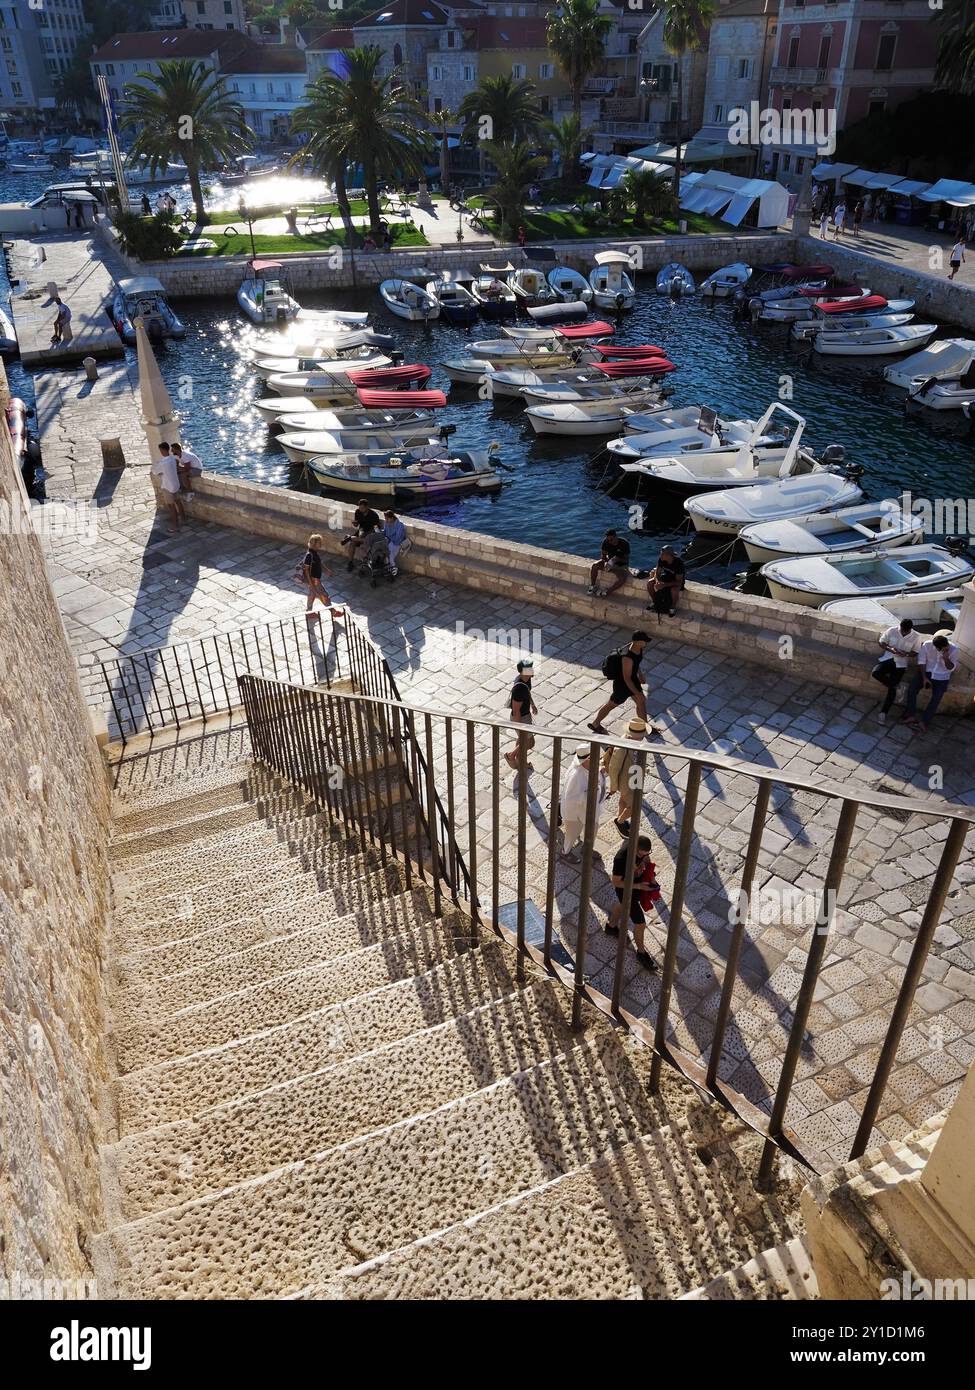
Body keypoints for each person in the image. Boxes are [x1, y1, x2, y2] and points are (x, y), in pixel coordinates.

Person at [605, 834, 660, 969]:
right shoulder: (621, 859)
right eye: (642, 853)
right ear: (635, 848)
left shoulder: (642, 852)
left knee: (623, 905)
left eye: (648, 853)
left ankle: (611, 927)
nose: (645, 855)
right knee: (640, 924)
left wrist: (651, 877)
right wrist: (639, 886)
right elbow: (616, 882)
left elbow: (645, 861)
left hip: (636, 883)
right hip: (625, 889)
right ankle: (641, 953)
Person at [588, 631, 650, 734]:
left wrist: (640, 675)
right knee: (611, 704)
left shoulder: (638, 649)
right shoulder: (627, 658)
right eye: (644, 641)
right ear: (637, 642)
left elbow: (636, 663)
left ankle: (644, 727)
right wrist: (637, 692)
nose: (646, 643)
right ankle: (595, 724)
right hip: (622, 685)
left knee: (641, 701)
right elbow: (626, 678)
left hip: (632, 679)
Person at [559, 744, 606, 864]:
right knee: (572, 833)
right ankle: (565, 852)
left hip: (590, 809)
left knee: (593, 828)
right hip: (575, 812)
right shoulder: (576, 776)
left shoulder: (590, 767)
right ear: (587, 760)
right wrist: (589, 793)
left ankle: (587, 848)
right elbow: (570, 797)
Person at [902, 632, 958, 731]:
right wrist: (924, 678)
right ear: (936, 647)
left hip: (942, 676)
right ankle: (911, 715)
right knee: (912, 689)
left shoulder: (954, 649)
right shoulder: (927, 645)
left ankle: (924, 722)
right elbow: (921, 662)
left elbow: (951, 668)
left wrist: (946, 658)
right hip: (926, 672)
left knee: (936, 698)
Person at [602, 717, 649, 834]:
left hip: (635, 774)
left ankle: (620, 820)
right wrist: (613, 787)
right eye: (641, 734)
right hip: (627, 780)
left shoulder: (634, 741)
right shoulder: (622, 747)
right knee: (635, 806)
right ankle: (621, 821)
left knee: (624, 799)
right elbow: (614, 767)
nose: (643, 736)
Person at [872, 617, 923, 723]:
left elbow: (916, 652)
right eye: (902, 630)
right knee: (876, 673)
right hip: (888, 659)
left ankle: (883, 713)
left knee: (891, 690)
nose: (903, 633)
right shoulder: (892, 630)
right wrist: (890, 649)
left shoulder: (916, 637)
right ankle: (896, 686)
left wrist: (906, 654)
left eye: (906, 631)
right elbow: (881, 642)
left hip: (901, 664)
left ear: (910, 630)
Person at [504, 658, 537, 772]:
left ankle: (521, 762)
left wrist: (532, 704)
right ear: (523, 671)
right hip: (520, 718)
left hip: (525, 715)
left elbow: (528, 692)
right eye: (529, 668)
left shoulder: (526, 680)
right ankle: (511, 755)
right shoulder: (518, 689)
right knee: (529, 742)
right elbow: (516, 709)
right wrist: (520, 727)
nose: (532, 670)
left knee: (522, 740)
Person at [150, 441, 186, 531]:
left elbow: (155, 472)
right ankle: (184, 519)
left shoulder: (163, 463)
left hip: (167, 487)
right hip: (176, 484)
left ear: (162, 450)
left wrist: (156, 465)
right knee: (178, 502)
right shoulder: (173, 459)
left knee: (171, 506)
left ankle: (174, 526)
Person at [587, 528, 630, 596]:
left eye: (611, 540)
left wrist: (617, 559)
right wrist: (607, 561)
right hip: (610, 563)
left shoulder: (624, 543)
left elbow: (626, 560)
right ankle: (592, 586)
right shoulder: (606, 542)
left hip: (621, 565)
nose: (609, 542)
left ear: (616, 536)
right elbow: (603, 555)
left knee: (622, 579)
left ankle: (607, 592)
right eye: (608, 540)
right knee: (595, 565)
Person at [645, 544, 685, 617]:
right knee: (650, 583)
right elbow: (657, 572)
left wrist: (664, 585)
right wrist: (658, 581)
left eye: (662, 554)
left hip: (675, 581)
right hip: (665, 578)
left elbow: (679, 581)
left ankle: (672, 607)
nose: (660, 556)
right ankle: (655, 601)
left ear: (669, 555)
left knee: (674, 590)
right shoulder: (661, 560)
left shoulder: (678, 563)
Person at [342, 498, 381, 567]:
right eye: (359, 507)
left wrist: (368, 535)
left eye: (362, 508)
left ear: (367, 507)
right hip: (361, 531)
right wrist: (355, 524)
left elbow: (376, 529)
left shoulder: (373, 515)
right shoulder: (358, 512)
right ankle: (350, 562)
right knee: (352, 543)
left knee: (363, 543)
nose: (360, 509)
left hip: (371, 533)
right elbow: (357, 525)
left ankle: (351, 537)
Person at [302, 532, 333, 615]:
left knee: (312, 595)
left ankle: (309, 612)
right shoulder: (309, 555)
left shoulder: (314, 553)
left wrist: (327, 571)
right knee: (324, 595)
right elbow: (306, 570)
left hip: (315, 579)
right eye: (319, 542)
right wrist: (311, 583)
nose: (321, 544)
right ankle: (333, 611)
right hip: (314, 580)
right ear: (314, 543)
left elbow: (319, 563)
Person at [383, 508, 406, 575]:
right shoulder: (386, 523)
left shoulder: (399, 526)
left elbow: (398, 538)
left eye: (387, 519)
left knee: (390, 556)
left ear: (392, 518)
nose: (386, 520)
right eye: (385, 519)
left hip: (396, 544)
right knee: (385, 554)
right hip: (388, 541)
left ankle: (393, 571)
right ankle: (389, 569)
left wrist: (389, 540)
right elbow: (384, 532)